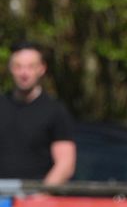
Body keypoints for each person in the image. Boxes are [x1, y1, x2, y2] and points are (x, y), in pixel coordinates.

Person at [0, 42, 75, 185]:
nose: (24, 73)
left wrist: (41, 196)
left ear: (41, 69)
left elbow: (66, 164)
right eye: (18, 66)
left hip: (37, 197)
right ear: (10, 69)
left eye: (30, 67)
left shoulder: (55, 111)